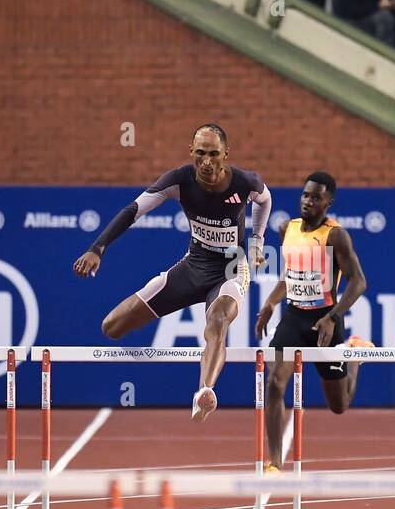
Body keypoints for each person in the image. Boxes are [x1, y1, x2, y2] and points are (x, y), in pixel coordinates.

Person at [74, 124, 271, 422]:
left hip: (232, 266)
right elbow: (133, 211)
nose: (207, 162)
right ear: (190, 151)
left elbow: (265, 201)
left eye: (214, 154)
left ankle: (204, 391)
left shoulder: (245, 182)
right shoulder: (179, 180)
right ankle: (203, 385)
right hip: (193, 266)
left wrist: (257, 240)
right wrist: (98, 247)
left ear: (226, 154)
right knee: (112, 327)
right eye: (201, 154)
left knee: (218, 321)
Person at [255, 171, 372, 472]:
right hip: (294, 317)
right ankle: (275, 462)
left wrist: (334, 317)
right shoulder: (286, 229)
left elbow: (359, 282)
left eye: (316, 197)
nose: (308, 201)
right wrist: (270, 302)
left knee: (339, 406)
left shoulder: (335, 235)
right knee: (274, 384)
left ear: (328, 202)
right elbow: (290, 276)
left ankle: (355, 356)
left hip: (325, 321)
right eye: (306, 195)